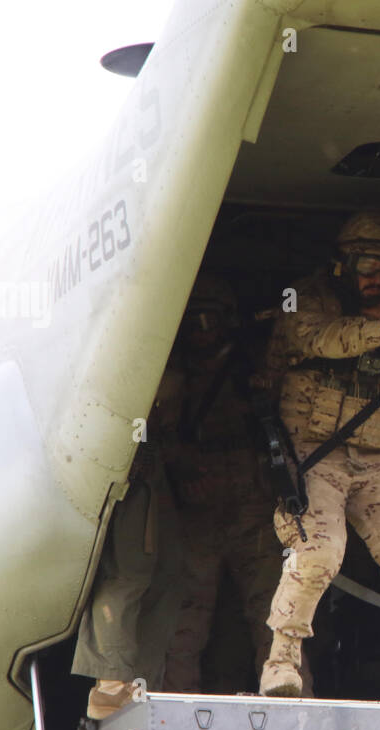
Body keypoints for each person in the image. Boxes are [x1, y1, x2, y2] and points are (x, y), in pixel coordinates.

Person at [258, 211, 380, 703]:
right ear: (341, 264)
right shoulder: (305, 298)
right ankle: (281, 661)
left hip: (375, 460)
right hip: (312, 453)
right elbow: (320, 338)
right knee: (319, 549)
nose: (376, 278)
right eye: (366, 265)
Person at [159, 275, 294, 695]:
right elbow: (154, 440)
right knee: (185, 622)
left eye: (210, 319)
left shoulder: (254, 370)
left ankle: (290, 704)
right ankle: (175, 705)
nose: (202, 331)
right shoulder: (170, 377)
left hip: (254, 511)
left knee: (275, 616)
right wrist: (183, 475)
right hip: (198, 512)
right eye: (193, 321)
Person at [71, 353, 185, 719]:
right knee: (128, 576)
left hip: (144, 473)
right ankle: (111, 684)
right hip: (132, 477)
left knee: (155, 578)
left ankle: (128, 682)